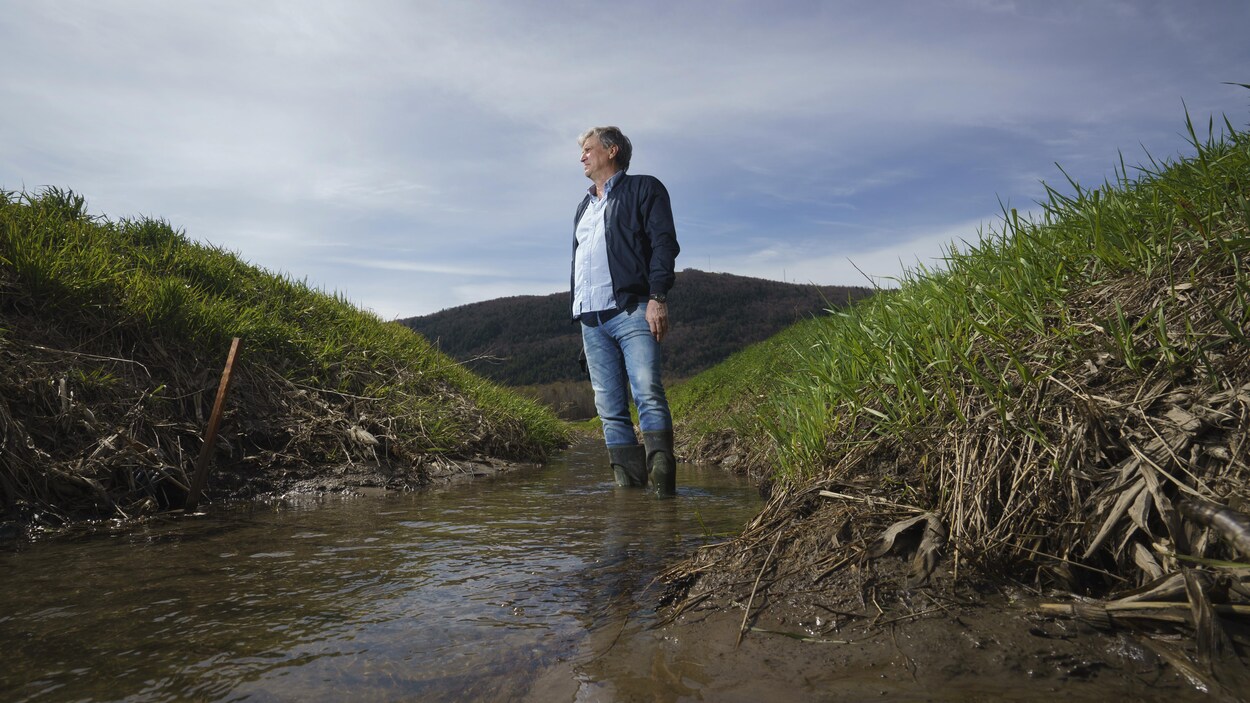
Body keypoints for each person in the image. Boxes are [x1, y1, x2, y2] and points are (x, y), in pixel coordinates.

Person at [571, 126, 680, 494]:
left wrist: (658, 296)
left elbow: (664, 244)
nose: (582, 157)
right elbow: (583, 267)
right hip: (591, 319)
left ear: (612, 150)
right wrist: (583, 322)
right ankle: (630, 498)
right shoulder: (582, 208)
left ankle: (665, 496)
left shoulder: (645, 189)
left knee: (647, 391)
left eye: (588, 149)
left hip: (633, 309)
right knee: (609, 409)